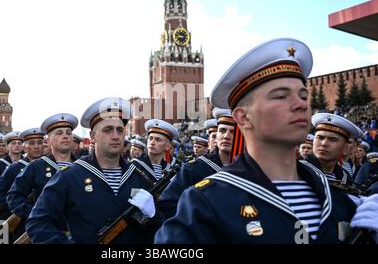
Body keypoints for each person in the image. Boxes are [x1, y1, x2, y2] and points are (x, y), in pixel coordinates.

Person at [155, 37, 378, 243]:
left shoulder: (340, 199)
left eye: (303, 95)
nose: (300, 104)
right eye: (281, 96)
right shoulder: (205, 205)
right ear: (243, 117)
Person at [26, 97, 162, 243]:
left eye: (120, 130)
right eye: (108, 130)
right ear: (92, 137)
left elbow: (162, 229)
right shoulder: (71, 176)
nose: (115, 136)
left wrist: (154, 216)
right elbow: (37, 222)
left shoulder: (139, 175)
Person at [6, 113, 78, 238]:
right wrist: (36, 214)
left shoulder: (82, 166)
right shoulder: (36, 166)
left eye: (68, 133)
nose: (65, 136)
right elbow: (14, 196)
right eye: (59, 133)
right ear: (48, 140)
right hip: (47, 234)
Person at [158, 108, 235, 219]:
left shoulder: (251, 169)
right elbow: (167, 203)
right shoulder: (194, 168)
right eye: (222, 131)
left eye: (232, 132)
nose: (226, 136)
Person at [0, 127, 45, 243]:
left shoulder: (49, 167)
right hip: (22, 220)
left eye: (40, 143)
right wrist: (18, 206)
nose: (36, 146)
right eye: (31, 143)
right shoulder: (14, 168)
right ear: (25, 147)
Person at [304, 113, 361, 185]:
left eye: (333, 140)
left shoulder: (345, 178)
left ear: (345, 148)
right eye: (320, 137)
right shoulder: (295, 171)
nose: (324, 143)